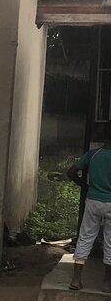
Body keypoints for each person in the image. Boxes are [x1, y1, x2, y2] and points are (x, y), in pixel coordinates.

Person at [66, 123, 111, 291]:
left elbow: (70, 172)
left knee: (85, 238)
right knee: (110, 242)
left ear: (104, 136)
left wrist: (83, 186)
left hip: (93, 201)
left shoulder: (93, 155)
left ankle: (76, 280)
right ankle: (107, 283)